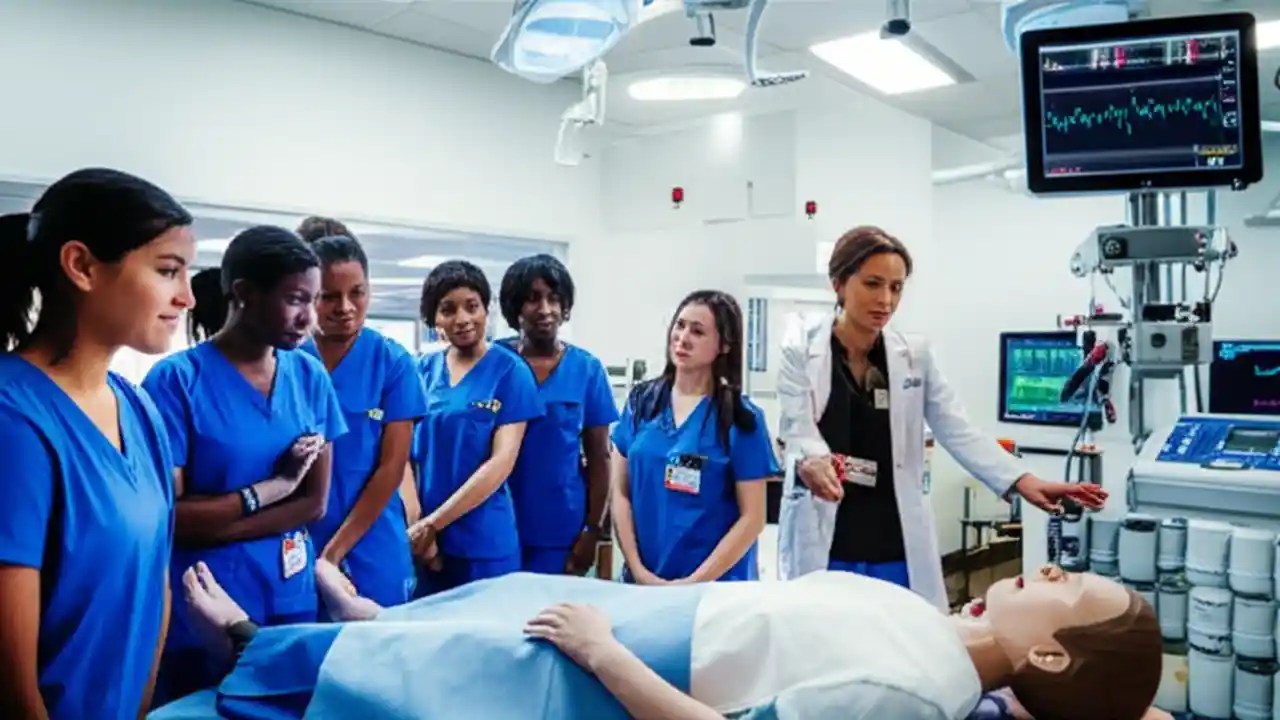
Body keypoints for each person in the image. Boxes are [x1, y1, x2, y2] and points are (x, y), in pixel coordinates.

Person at [152, 561, 1166, 720]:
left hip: (654, 661)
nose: (1047, 572)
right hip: (682, 612)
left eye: (1065, 591)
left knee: (457, 671)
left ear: (1049, 655)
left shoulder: (916, 693)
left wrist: (604, 653)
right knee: (499, 598)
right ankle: (375, 618)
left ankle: (257, 650)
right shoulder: (939, 635)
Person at [777, 226, 1108, 608]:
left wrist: (1022, 481)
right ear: (838, 283)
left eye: (896, 287)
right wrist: (813, 460)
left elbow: (957, 428)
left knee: (902, 634)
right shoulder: (802, 350)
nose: (886, 300)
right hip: (828, 537)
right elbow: (798, 426)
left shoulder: (913, 356)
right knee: (825, 632)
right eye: (872, 284)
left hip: (893, 540)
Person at [0, 169, 195, 719]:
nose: (186, 296)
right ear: (82, 266)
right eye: (167, 271)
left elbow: (153, 589)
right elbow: (11, 681)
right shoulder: (14, 418)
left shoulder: (141, 411)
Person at [142, 225, 349, 703]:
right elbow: (172, 517)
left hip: (290, 592)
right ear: (245, 294)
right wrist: (273, 490)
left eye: (313, 301)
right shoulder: (176, 381)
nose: (308, 318)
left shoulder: (309, 376)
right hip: (205, 598)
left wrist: (219, 524)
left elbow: (314, 503)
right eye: (295, 299)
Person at [297, 226, 428, 606]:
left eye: (357, 293)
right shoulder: (287, 361)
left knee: (382, 634)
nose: (345, 307)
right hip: (298, 536)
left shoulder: (393, 362)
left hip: (373, 537)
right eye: (329, 296)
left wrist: (333, 554)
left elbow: (391, 468)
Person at [611, 290, 780, 584]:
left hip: (714, 587)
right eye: (680, 325)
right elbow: (620, 493)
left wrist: (694, 582)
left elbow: (752, 518)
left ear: (724, 345)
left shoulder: (740, 419)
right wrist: (637, 570)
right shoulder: (642, 403)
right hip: (643, 581)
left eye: (698, 331)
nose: (683, 338)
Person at [407, 259, 543, 596]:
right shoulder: (422, 370)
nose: (463, 319)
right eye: (448, 310)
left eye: (472, 306)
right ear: (434, 319)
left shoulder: (510, 372)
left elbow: (501, 463)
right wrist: (418, 527)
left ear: (486, 309)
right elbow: (401, 456)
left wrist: (434, 524)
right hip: (423, 542)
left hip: (484, 542)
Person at [497, 254, 617, 575]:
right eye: (533, 298)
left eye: (553, 298)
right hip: (496, 522)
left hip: (560, 529)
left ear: (565, 307)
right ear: (515, 307)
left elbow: (600, 458)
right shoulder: (496, 362)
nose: (545, 309)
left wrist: (593, 530)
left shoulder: (587, 369)